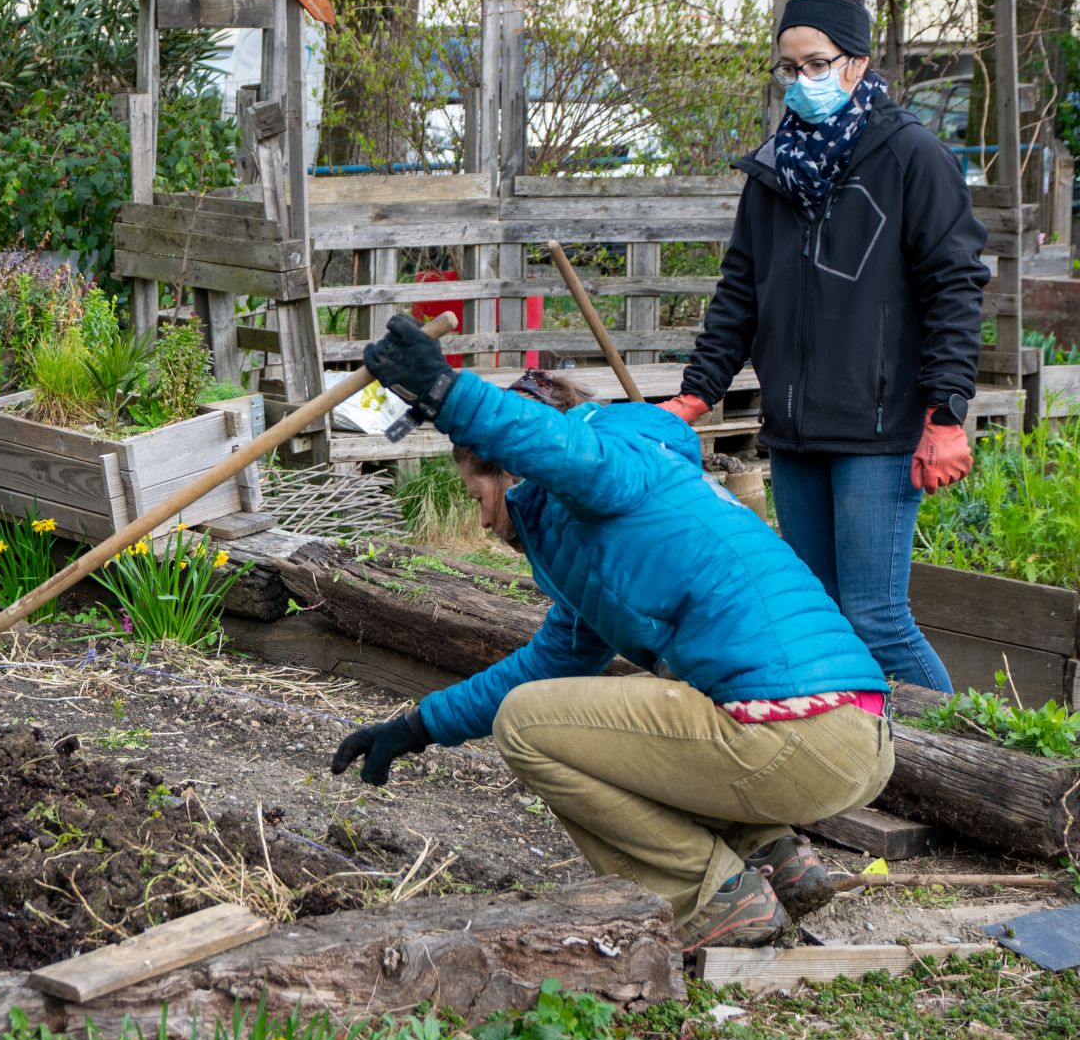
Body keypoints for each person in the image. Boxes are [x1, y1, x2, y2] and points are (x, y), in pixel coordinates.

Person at [333, 318, 895, 951]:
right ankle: (772, 858)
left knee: (525, 725)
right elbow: (546, 666)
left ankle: (708, 900)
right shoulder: (606, 533)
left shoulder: (609, 467)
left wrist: (444, 392)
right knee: (595, 712)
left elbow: (570, 453)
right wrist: (418, 727)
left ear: (511, 470)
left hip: (791, 732)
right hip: (851, 732)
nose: (482, 518)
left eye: (476, 493)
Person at [660, 0, 989, 692]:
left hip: (881, 428)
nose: (801, 79)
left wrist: (946, 412)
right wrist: (694, 393)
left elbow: (956, 286)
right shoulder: (778, 169)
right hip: (797, 430)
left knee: (875, 617)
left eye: (818, 64)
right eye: (789, 67)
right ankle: (863, 766)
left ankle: (971, 756)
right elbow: (741, 288)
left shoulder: (911, 157)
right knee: (817, 614)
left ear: (859, 62)